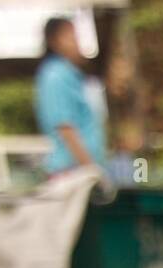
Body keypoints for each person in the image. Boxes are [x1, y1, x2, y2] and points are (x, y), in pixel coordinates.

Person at [35, 17, 108, 175]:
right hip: (72, 172)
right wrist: (91, 170)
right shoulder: (55, 75)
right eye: (71, 36)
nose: (76, 42)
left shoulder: (73, 74)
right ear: (54, 41)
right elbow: (65, 128)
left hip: (85, 169)